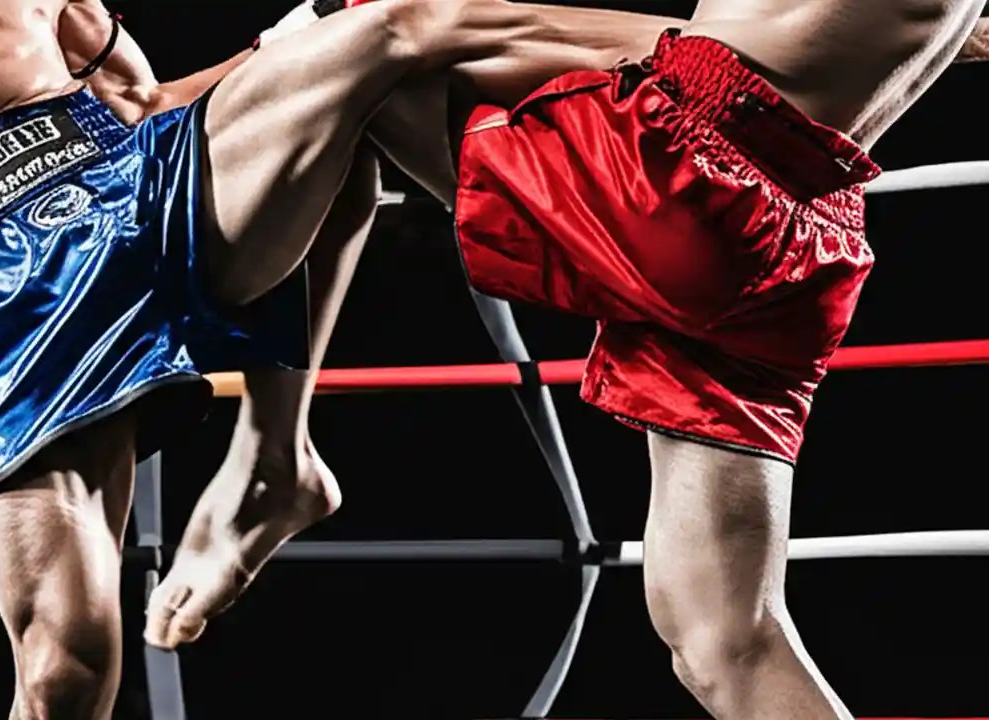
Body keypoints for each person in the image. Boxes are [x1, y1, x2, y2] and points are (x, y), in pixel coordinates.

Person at [0, 0, 684, 716]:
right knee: (66, 666)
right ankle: (275, 465)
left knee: (381, 27)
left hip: (135, 175)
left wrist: (274, 54)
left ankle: (716, 66)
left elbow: (138, 100)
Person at [148, 2, 989, 719]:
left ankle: (268, 454)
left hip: (685, 166)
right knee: (726, 642)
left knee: (367, 35)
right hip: (801, 227)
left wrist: (190, 87)